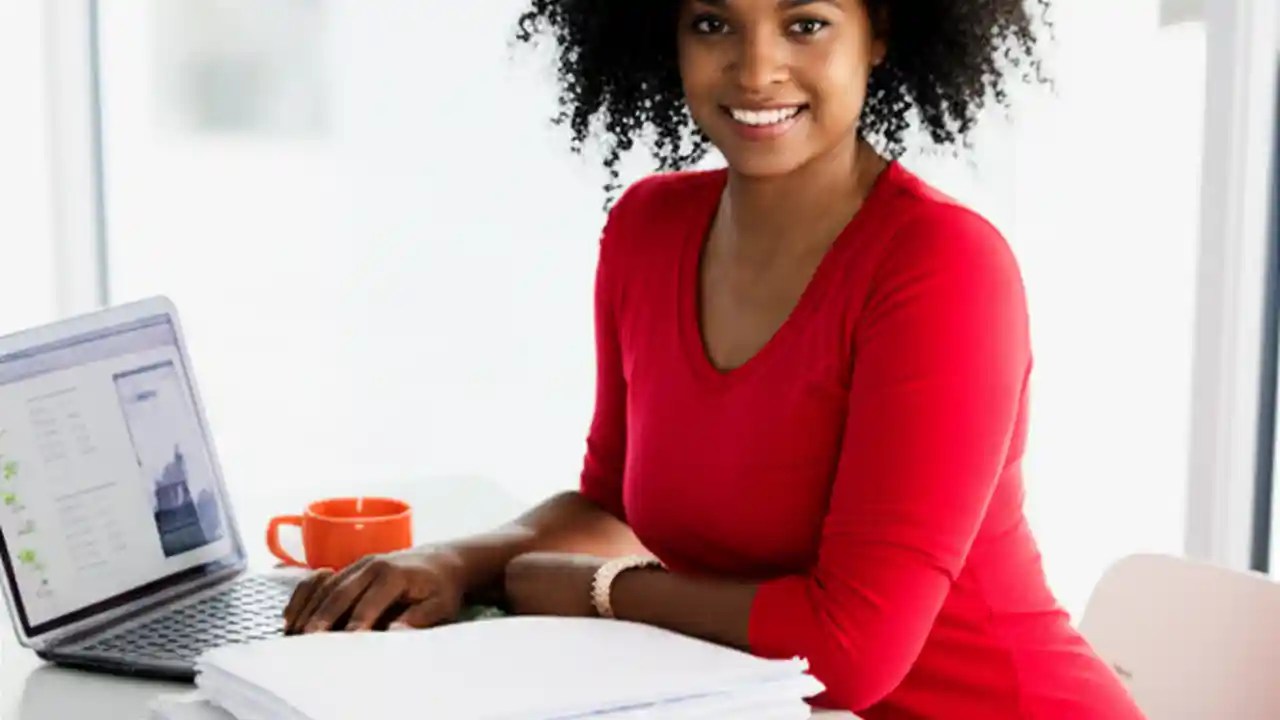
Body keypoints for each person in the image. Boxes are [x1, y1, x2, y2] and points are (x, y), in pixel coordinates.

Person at [283, 1, 1146, 717]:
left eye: (804, 23)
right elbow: (609, 501)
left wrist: (602, 591)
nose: (755, 68)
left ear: (880, 32)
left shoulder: (941, 267)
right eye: (712, 23)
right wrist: (453, 562)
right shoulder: (649, 229)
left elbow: (853, 652)